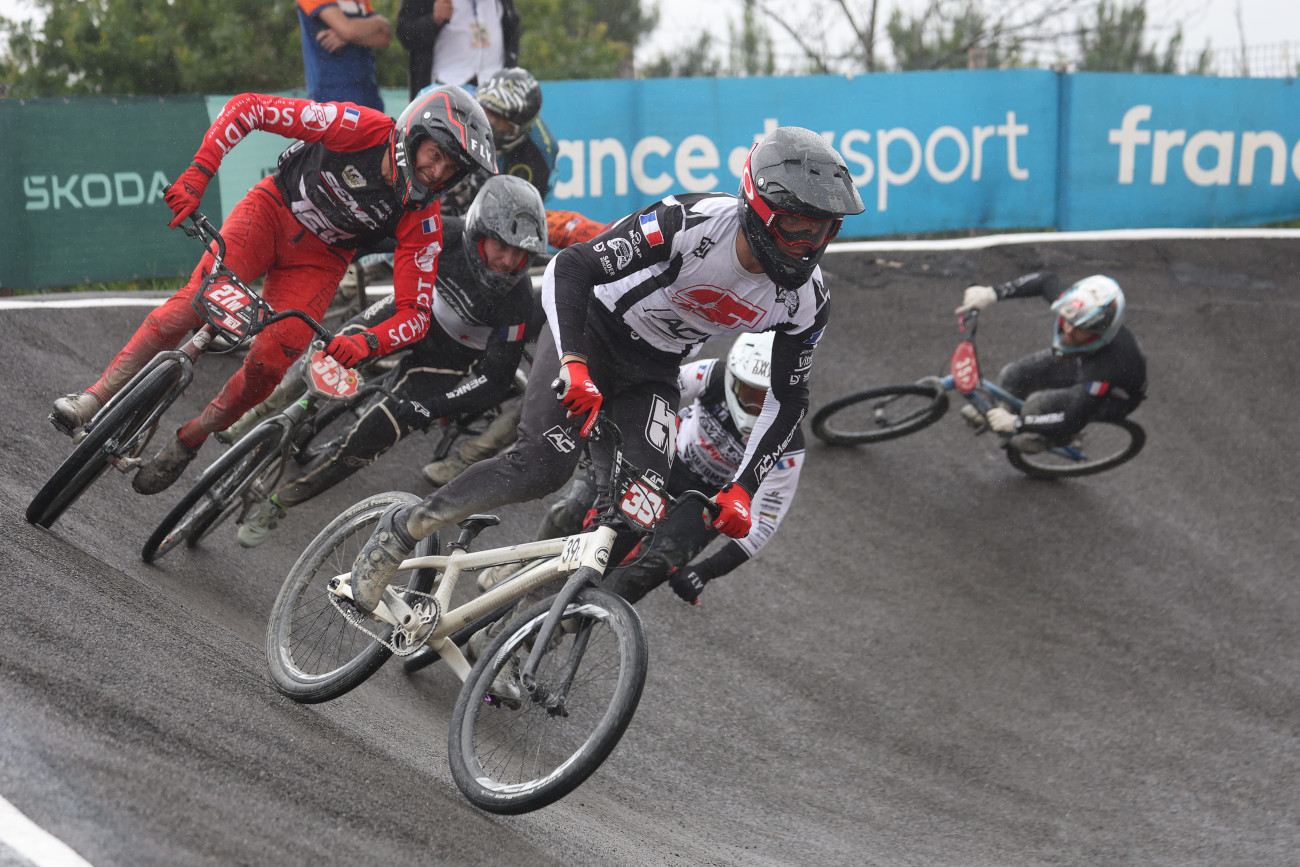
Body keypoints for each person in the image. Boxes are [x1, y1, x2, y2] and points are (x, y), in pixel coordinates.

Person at [341, 124, 866, 616]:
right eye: (798, 226)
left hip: (654, 368)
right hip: (592, 327)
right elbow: (571, 266)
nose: (810, 245)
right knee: (543, 466)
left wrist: (745, 487)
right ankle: (404, 529)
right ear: (758, 206)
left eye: (824, 231)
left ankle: (514, 626)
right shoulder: (690, 221)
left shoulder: (808, 300)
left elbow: (789, 398)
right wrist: (573, 363)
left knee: (636, 518)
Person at [49, 86, 496, 495]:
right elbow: (250, 108)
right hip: (271, 210)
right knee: (184, 311)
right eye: (433, 153)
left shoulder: (424, 217)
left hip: (321, 260)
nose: (435, 171)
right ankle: (93, 399)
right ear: (412, 135)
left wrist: (365, 341)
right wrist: (199, 173)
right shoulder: (356, 127)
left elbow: (415, 314)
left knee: (269, 365)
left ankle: (192, 437)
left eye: (449, 168)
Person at [233, 175, 546, 547]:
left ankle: (278, 502)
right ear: (478, 232)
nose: (508, 262)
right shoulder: (445, 234)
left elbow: (495, 379)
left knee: (369, 438)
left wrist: (429, 408)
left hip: (443, 363)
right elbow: (372, 240)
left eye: (519, 255)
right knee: (333, 349)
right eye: (501, 246)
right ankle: (257, 412)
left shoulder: (520, 302)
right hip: (405, 315)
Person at [477, 332, 805, 606]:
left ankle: (537, 639)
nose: (756, 407)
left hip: (710, 498)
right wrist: (609, 435)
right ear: (733, 378)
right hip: (667, 456)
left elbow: (763, 524)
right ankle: (525, 566)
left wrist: (706, 570)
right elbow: (651, 396)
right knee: (576, 507)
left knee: (643, 572)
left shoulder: (789, 445)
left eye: (768, 399)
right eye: (750, 393)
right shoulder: (712, 375)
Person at [953, 272, 1147, 453]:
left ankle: (1059, 439)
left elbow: (1071, 417)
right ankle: (1002, 411)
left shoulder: (1108, 369)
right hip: (1084, 361)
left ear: (1101, 331)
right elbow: (1045, 281)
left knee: (1036, 407)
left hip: (1112, 398)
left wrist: (1017, 423)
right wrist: (992, 293)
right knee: (1014, 374)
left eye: (1081, 329)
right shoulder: (1078, 307)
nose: (1068, 332)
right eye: (1067, 320)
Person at [396, 0, 520, 97]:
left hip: (494, 93)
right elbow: (404, 34)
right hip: (443, 92)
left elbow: (513, 31)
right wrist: (433, 20)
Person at [295, 0, 392, 110]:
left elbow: (384, 38)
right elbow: (348, 30)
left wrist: (349, 35)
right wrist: (379, 21)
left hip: (368, 89)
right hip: (331, 93)